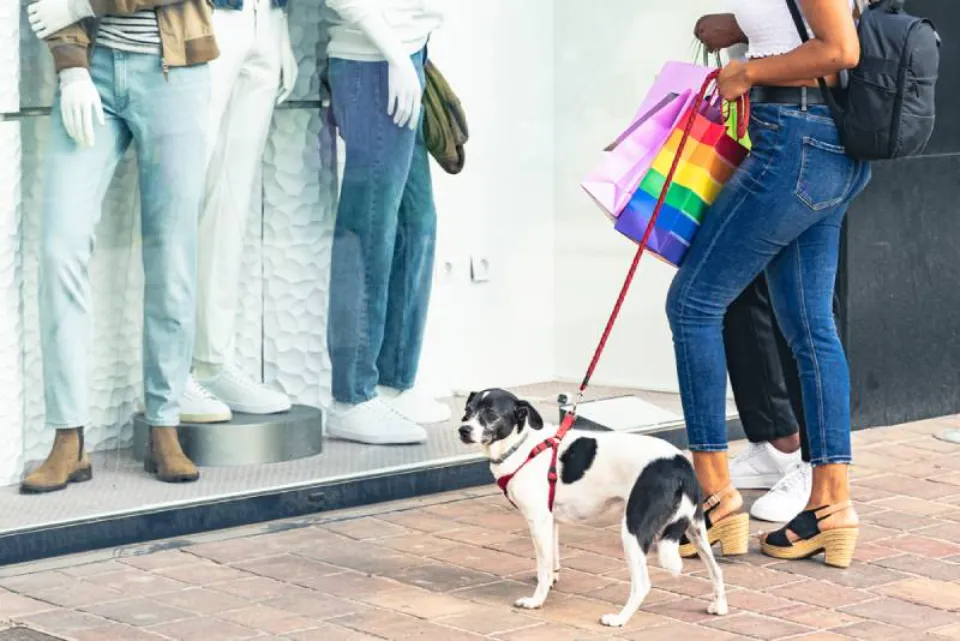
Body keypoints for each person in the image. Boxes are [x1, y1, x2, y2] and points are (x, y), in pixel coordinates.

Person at [670, 0, 869, 568]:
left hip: (796, 139)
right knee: (809, 324)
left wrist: (747, 71)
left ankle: (714, 500)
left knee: (692, 305)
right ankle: (830, 508)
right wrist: (735, 28)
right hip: (818, 142)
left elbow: (839, 49)